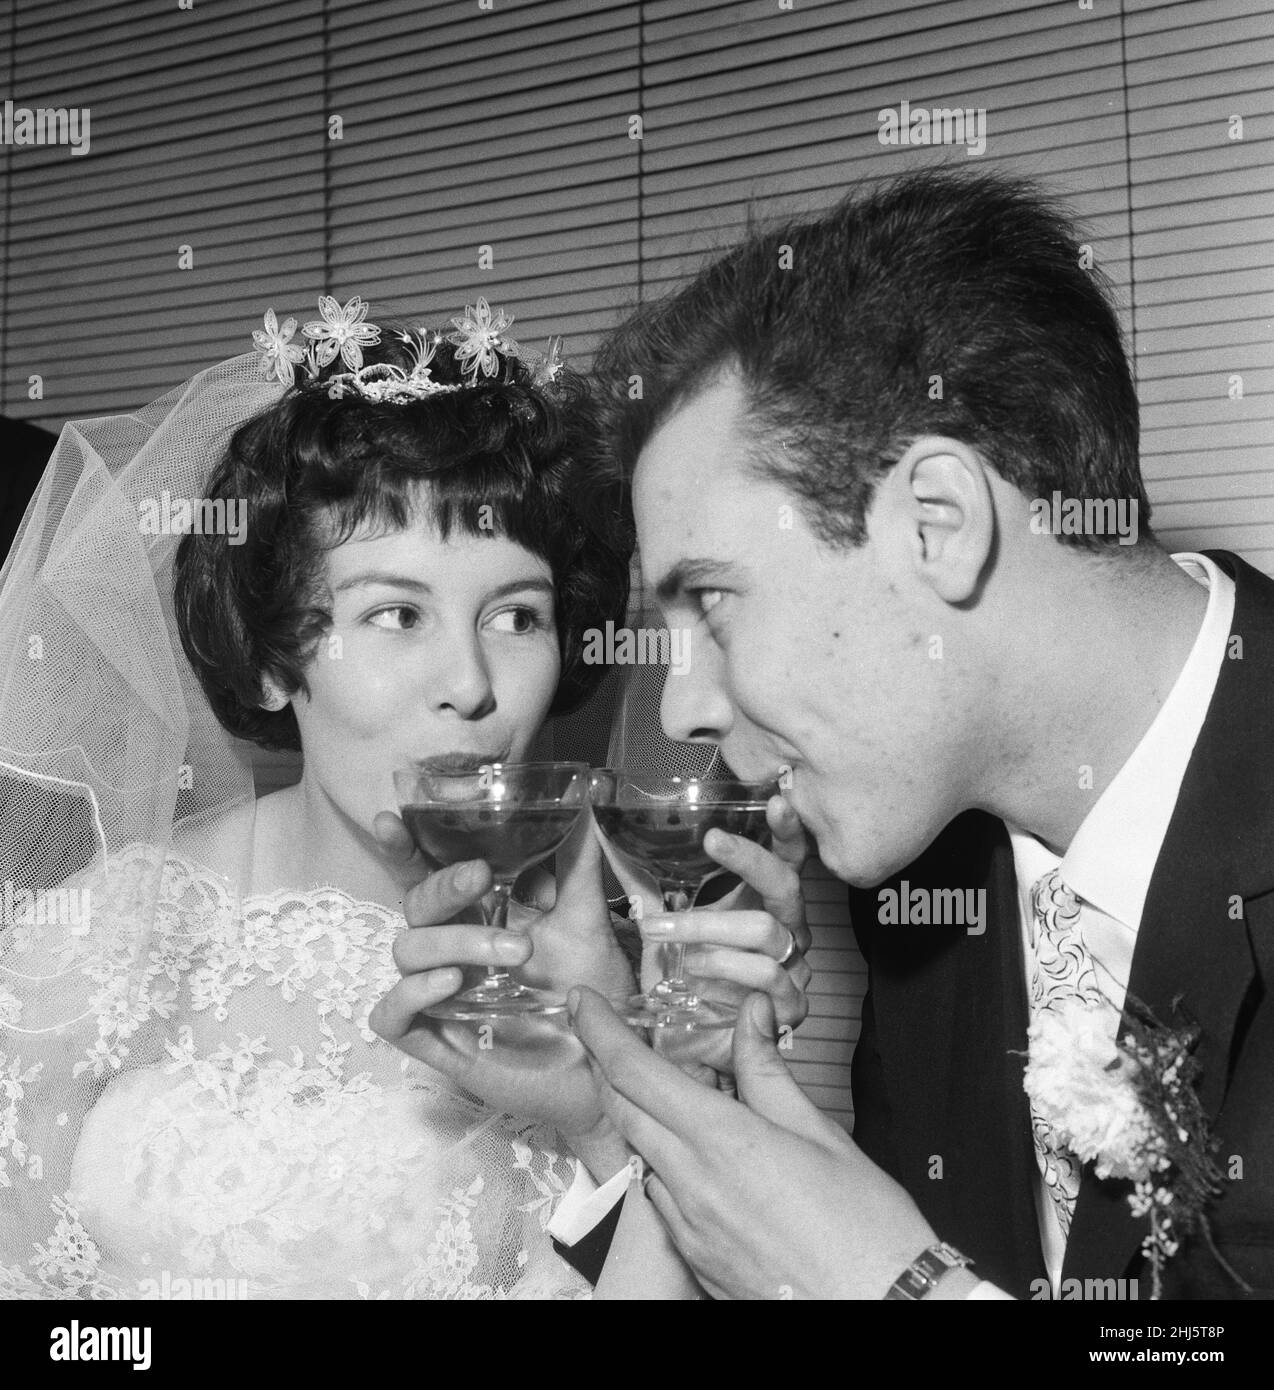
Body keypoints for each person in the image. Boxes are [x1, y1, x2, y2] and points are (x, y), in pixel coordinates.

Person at [0, 295, 808, 1299]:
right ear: (269, 661)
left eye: (517, 615)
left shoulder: (622, 973)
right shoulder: (104, 938)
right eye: (395, 613)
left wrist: (644, 1103)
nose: (469, 684)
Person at [564, 169, 1274, 1300]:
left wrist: (897, 1289)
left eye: (712, 599)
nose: (680, 707)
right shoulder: (919, 882)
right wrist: (684, 1107)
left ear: (935, 525)